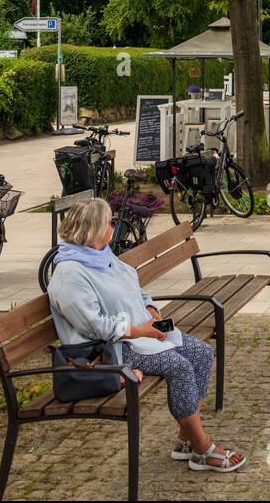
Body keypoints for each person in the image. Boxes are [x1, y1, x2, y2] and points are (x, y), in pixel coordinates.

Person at [48, 198, 246, 473]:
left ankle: (184, 440)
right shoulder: (70, 273)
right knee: (179, 366)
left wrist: (152, 310)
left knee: (201, 353)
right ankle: (201, 447)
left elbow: (135, 289)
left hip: (141, 331)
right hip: (111, 349)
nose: (113, 227)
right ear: (92, 229)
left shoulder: (102, 255)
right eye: (109, 222)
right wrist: (143, 331)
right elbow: (97, 327)